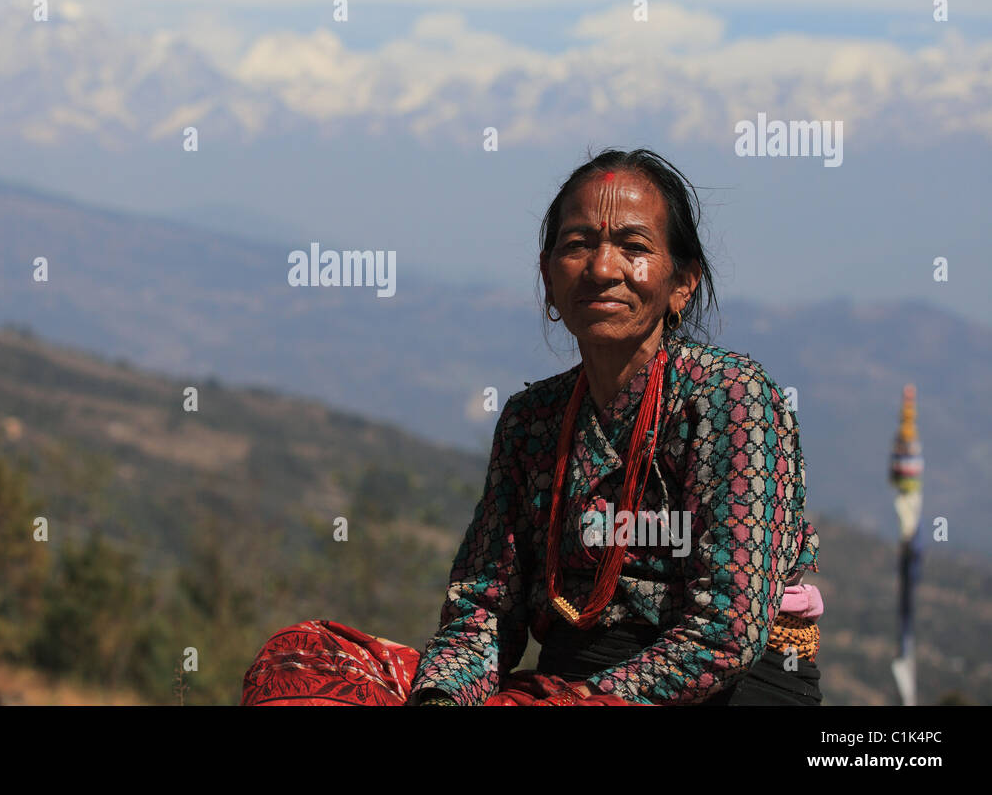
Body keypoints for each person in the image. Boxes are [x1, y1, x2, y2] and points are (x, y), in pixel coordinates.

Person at [241, 148, 823, 706]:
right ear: (547, 277)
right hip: (563, 684)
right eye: (578, 245)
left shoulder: (731, 399)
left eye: (633, 247)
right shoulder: (532, 419)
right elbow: (486, 608)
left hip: (716, 691)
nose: (602, 268)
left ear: (682, 282)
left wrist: (581, 702)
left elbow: (728, 632)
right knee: (301, 660)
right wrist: (443, 699)